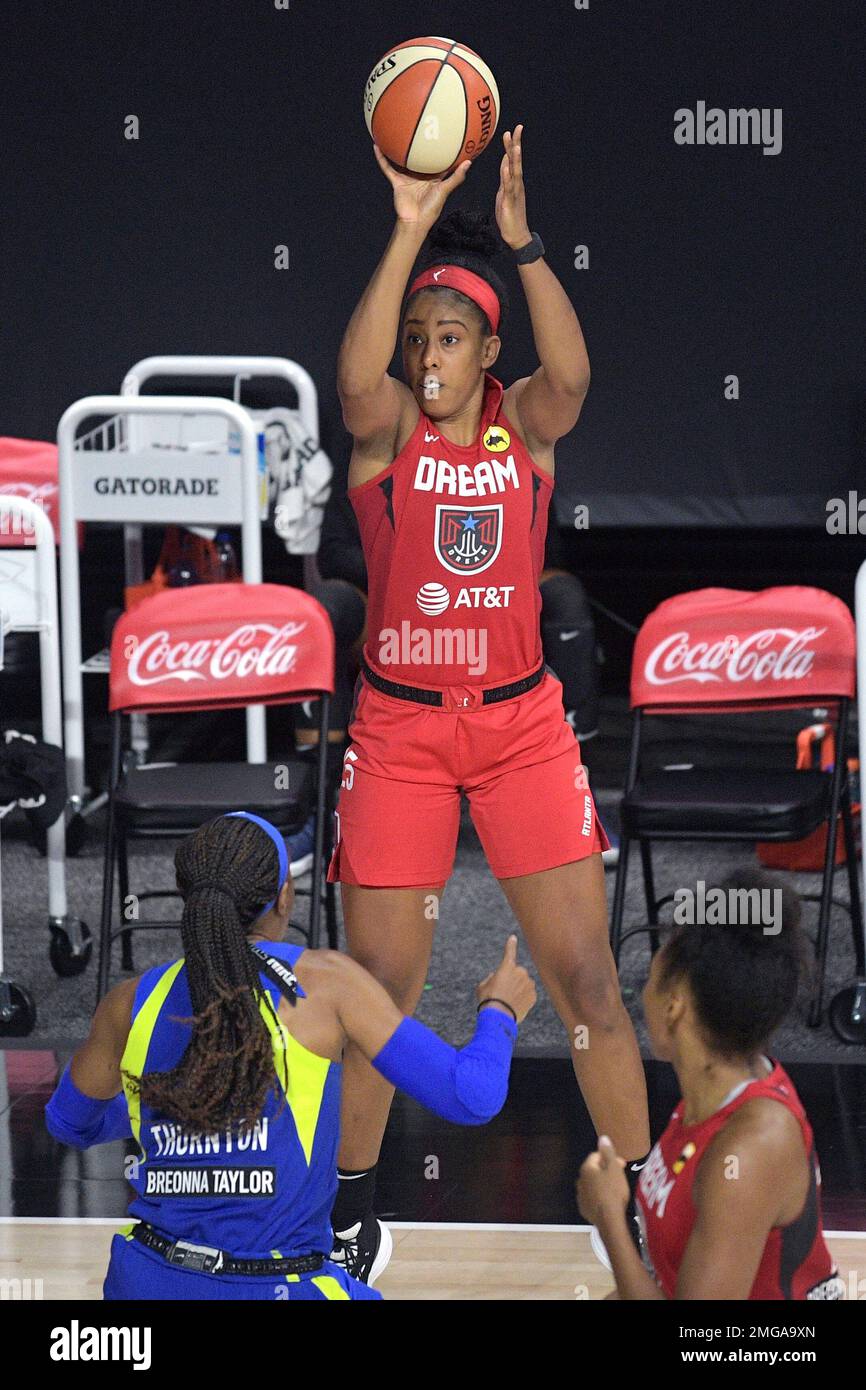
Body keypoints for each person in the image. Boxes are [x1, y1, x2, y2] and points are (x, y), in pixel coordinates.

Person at [327, 124, 649, 1282]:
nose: (425, 356)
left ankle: (641, 1195)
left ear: (485, 351)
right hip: (402, 729)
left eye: (447, 337)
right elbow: (353, 384)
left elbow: (575, 377)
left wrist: (519, 242)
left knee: (588, 987)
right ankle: (351, 1210)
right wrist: (408, 226)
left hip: (516, 725)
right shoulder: (385, 439)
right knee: (381, 993)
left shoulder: (526, 428)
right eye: (417, 336)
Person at [45, 812, 535, 1299]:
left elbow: (70, 1123)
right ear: (284, 898)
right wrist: (499, 1012)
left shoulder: (130, 1003)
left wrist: (179, 1109)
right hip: (277, 1285)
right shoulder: (325, 986)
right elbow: (472, 1095)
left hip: (146, 1281)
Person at [577, 869, 844, 1300]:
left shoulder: (750, 1149)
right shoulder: (711, 1094)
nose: (641, 995)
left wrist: (608, 1217)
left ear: (675, 1005)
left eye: (648, 981)